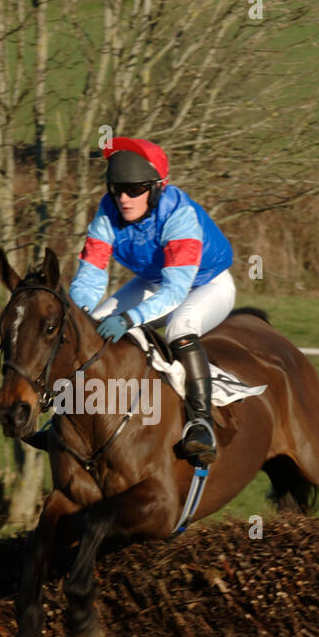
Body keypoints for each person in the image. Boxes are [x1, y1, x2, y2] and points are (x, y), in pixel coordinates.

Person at [66, 136, 236, 464]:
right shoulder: (108, 210)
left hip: (206, 284)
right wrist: (77, 313)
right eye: (117, 189)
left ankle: (201, 423)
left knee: (179, 328)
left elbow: (174, 292)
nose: (124, 199)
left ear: (158, 187)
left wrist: (130, 319)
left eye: (135, 190)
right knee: (93, 326)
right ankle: (77, 413)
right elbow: (91, 272)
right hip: (155, 280)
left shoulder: (180, 215)